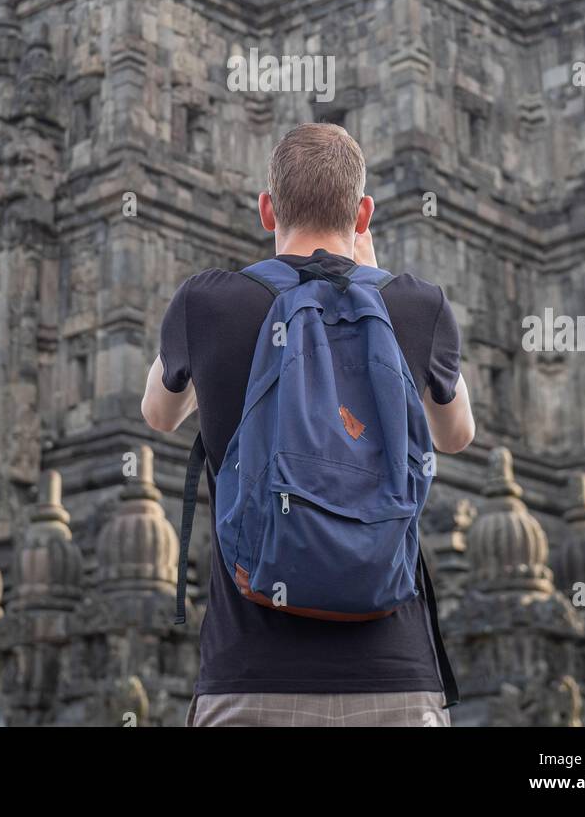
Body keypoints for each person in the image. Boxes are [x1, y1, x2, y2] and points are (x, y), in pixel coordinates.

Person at [142, 121, 475, 728]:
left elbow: (158, 413)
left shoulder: (207, 302)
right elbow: (457, 435)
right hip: (397, 683)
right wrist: (379, 286)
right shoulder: (419, 304)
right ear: (364, 212)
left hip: (250, 680)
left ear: (267, 209)